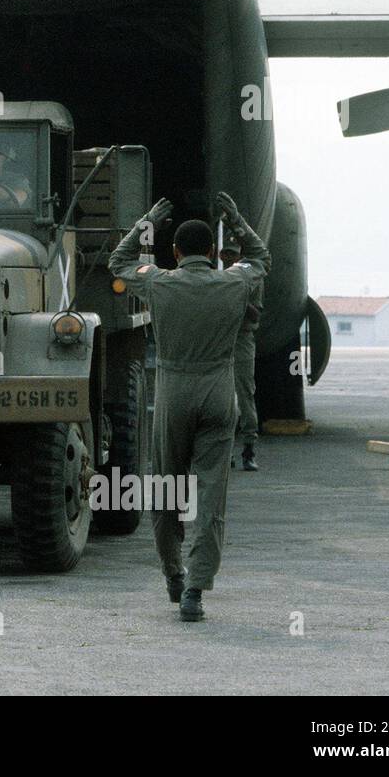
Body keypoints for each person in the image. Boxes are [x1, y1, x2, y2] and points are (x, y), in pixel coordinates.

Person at [108, 194, 269, 622]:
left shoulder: (158, 281)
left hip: (173, 391)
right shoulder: (235, 281)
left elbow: (118, 262)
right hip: (219, 390)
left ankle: (173, 574)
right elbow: (260, 256)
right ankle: (196, 590)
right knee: (211, 495)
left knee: (166, 490)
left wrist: (147, 223)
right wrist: (236, 218)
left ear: (175, 253)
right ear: (214, 252)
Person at [219, 235, 263, 470]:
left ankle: (249, 448)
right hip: (220, 339)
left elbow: (256, 314)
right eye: (226, 253)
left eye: (233, 254)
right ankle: (224, 451)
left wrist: (238, 295)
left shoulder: (251, 280)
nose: (229, 258)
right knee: (219, 398)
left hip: (242, 338)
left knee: (245, 394)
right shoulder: (216, 278)